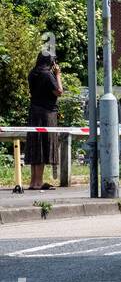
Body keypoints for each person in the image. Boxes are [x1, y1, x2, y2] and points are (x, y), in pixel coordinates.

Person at [25, 51, 63, 191]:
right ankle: (39, 182)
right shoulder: (47, 75)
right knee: (43, 145)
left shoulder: (32, 73)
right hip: (47, 113)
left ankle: (33, 182)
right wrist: (58, 75)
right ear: (50, 62)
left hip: (34, 111)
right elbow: (59, 91)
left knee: (35, 144)